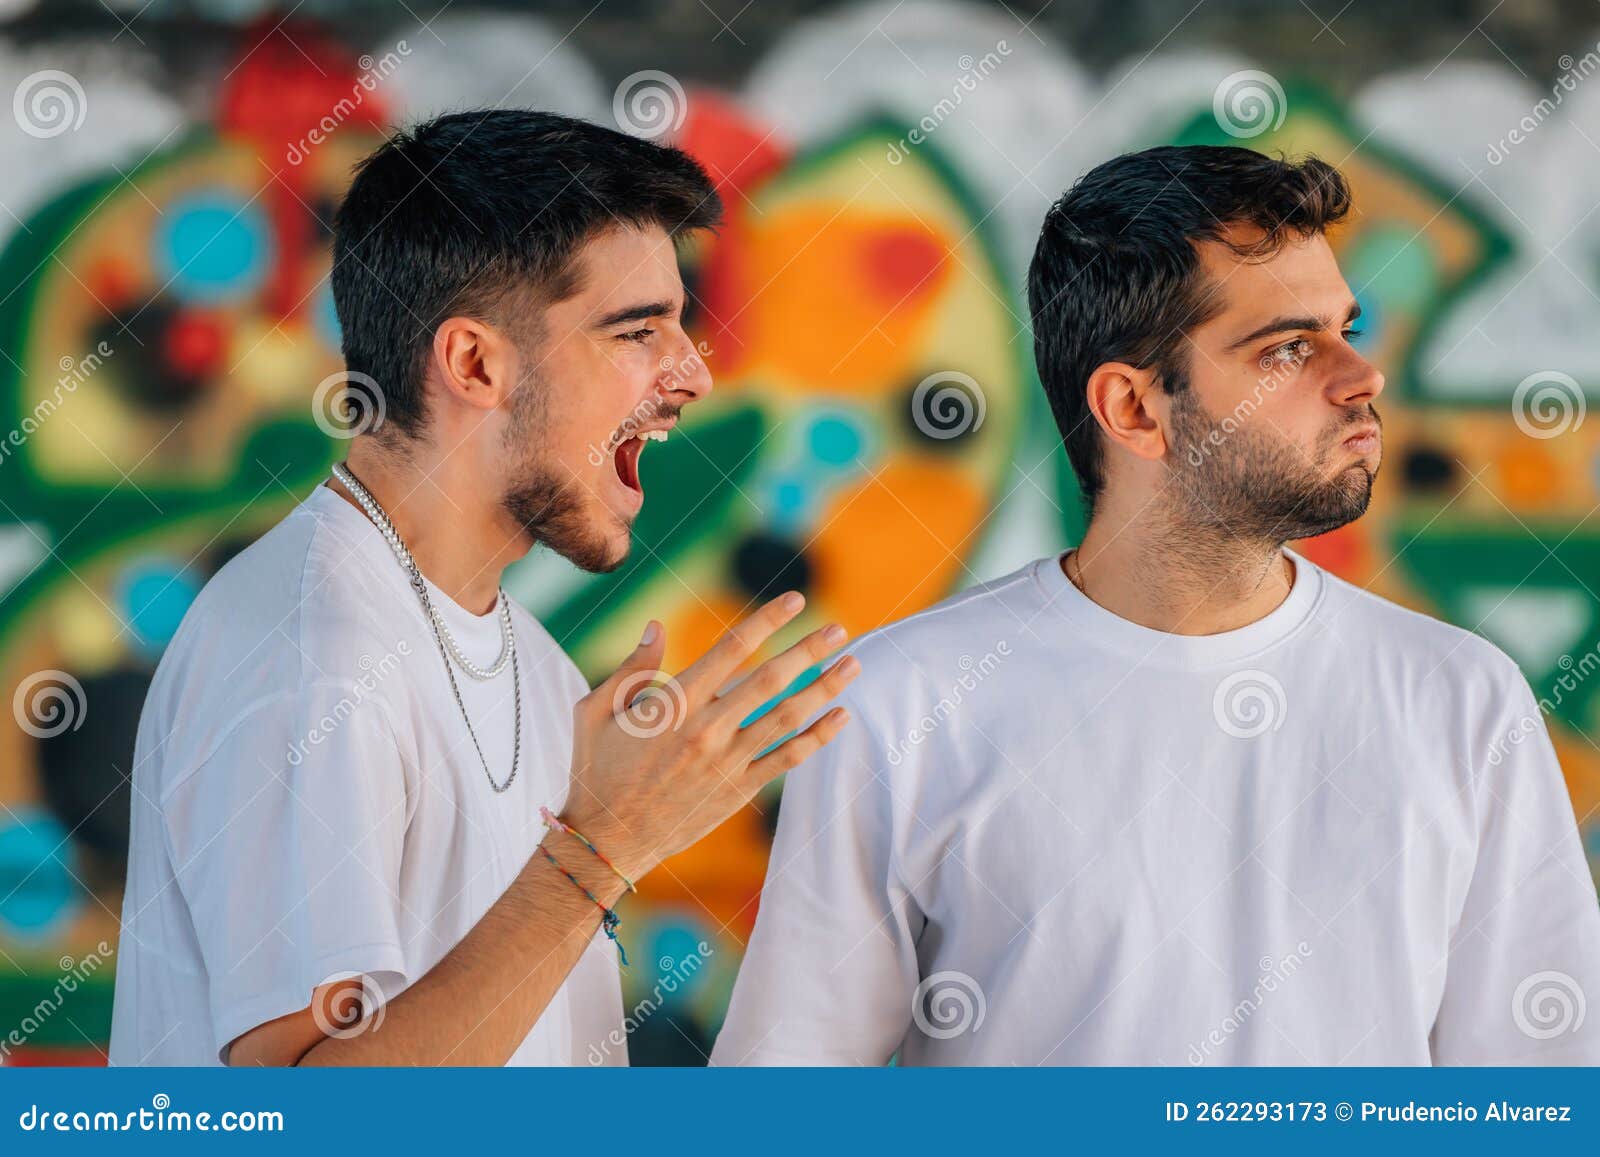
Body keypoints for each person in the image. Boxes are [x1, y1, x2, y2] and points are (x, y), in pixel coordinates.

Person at [711, 145, 1600, 1066]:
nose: (1360, 374)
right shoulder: (901, 704)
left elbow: (1540, 1092)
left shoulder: (1460, 699)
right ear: (1134, 409)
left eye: (1348, 326)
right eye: (1289, 347)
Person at [109, 109, 860, 1067]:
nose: (693, 375)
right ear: (473, 363)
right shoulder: (314, 661)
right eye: (638, 331)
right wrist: (598, 853)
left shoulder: (532, 665)